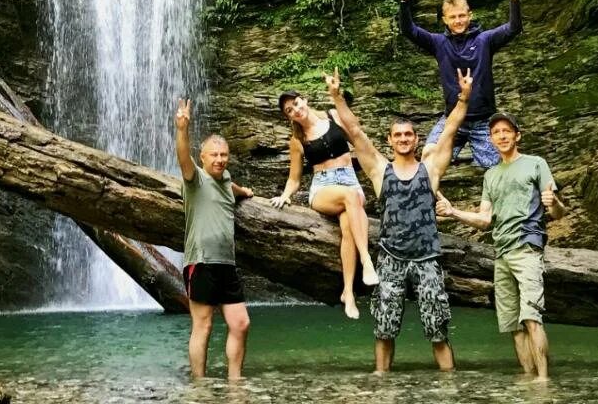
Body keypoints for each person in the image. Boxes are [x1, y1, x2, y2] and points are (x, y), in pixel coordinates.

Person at [333, 66, 475, 373]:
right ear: (389, 140)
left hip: (428, 259)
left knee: (438, 329)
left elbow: (450, 130)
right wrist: (336, 97)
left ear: (417, 139)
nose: (403, 139)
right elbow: (355, 132)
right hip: (390, 259)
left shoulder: (431, 170)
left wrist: (463, 99)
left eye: (408, 134)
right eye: (397, 135)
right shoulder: (379, 170)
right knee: (384, 329)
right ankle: (382, 382)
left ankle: (449, 386)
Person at [437, 111, 566, 379]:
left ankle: (543, 380)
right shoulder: (491, 175)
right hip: (502, 253)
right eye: (496, 132)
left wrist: (554, 203)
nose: (502, 135)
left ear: (517, 135)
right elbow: (485, 220)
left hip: (527, 247)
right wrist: (453, 212)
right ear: (491, 140)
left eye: (507, 130)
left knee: (531, 317)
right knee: (513, 325)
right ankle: (529, 377)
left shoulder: (535, 164)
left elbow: (557, 213)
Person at [271, 84, 379, 319]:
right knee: (351, 197)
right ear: (288, 117)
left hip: (349, 179)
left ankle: (347, 293)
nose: (295, 110)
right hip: (323, 188)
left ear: (304, 99)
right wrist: (285, 195)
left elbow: (358, 137)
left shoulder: (333, 116)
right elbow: (294, 178)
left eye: (296, 103)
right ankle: (366, 260)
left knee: (348, 227)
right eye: (289, 110)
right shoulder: (297, 141)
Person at [398, 0, 521, 169]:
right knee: (429, 157)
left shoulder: (485, 40)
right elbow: (409, 30)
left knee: (502, 167)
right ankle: (434, 199)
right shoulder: (438, 43)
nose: (458, 21)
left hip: (483, 121)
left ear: (470, 15)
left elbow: (513, 28)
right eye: (453, 17)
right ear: (445, 20)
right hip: (453, 118)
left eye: (462, 15)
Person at [176, 98, 254, 380]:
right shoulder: (194, 179)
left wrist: (244, 191)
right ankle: (199, 382)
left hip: (226, 264)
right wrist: (182, 129)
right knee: (203, 325)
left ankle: (235, 381)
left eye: (224, 155)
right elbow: (182, 158)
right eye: (214, 155)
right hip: (202, 261)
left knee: (241, 323)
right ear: (202, 157)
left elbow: (229, 184)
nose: (220, 159)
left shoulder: (224, 179)